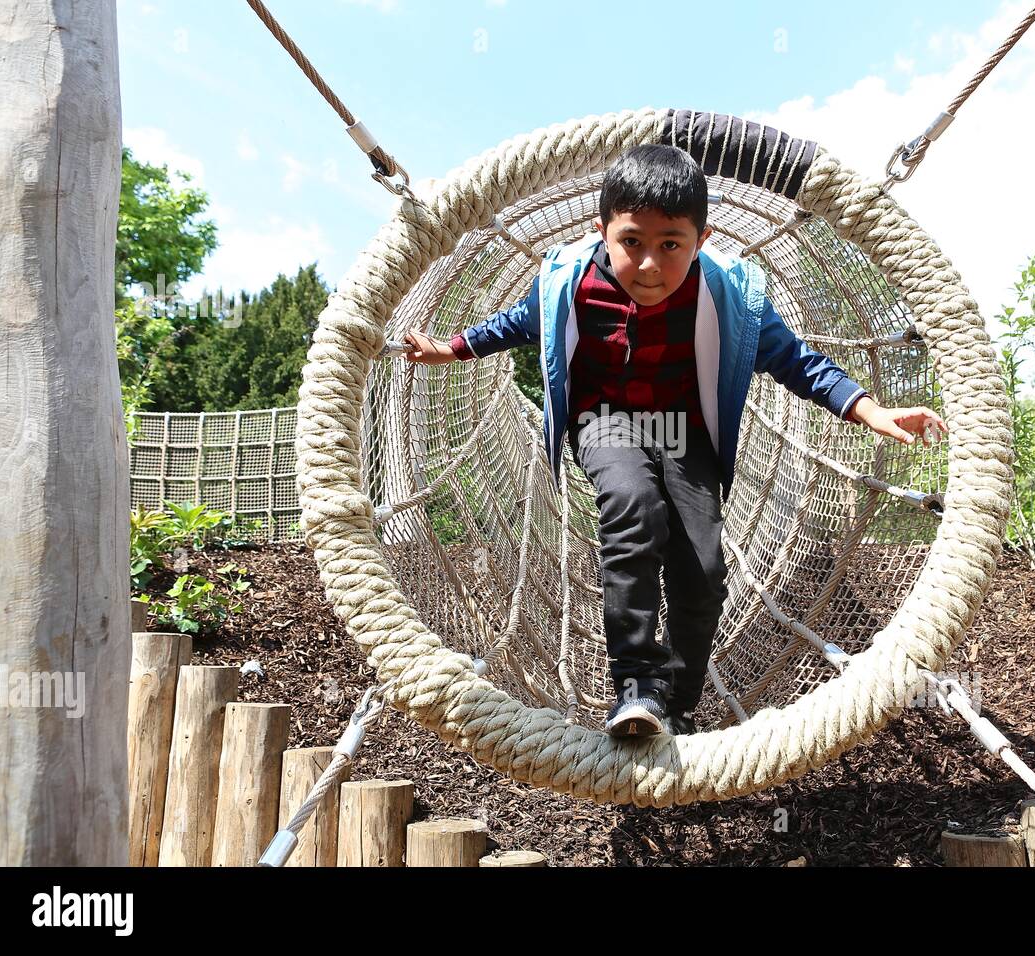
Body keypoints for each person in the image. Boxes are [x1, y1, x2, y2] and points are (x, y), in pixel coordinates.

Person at [403, 144, 947, 738]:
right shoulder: (569, 284)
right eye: (631, 241)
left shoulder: (730, 298)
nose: (649, 266)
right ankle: (636, 683)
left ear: (702, 239)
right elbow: (514, 325)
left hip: (686, 431)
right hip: (606, 421)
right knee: (633, 508)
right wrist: (451, 348)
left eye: (671, 245)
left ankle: (679, 700)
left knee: (703, 568)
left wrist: (869, 409)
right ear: (602, 230)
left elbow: (798, 362)